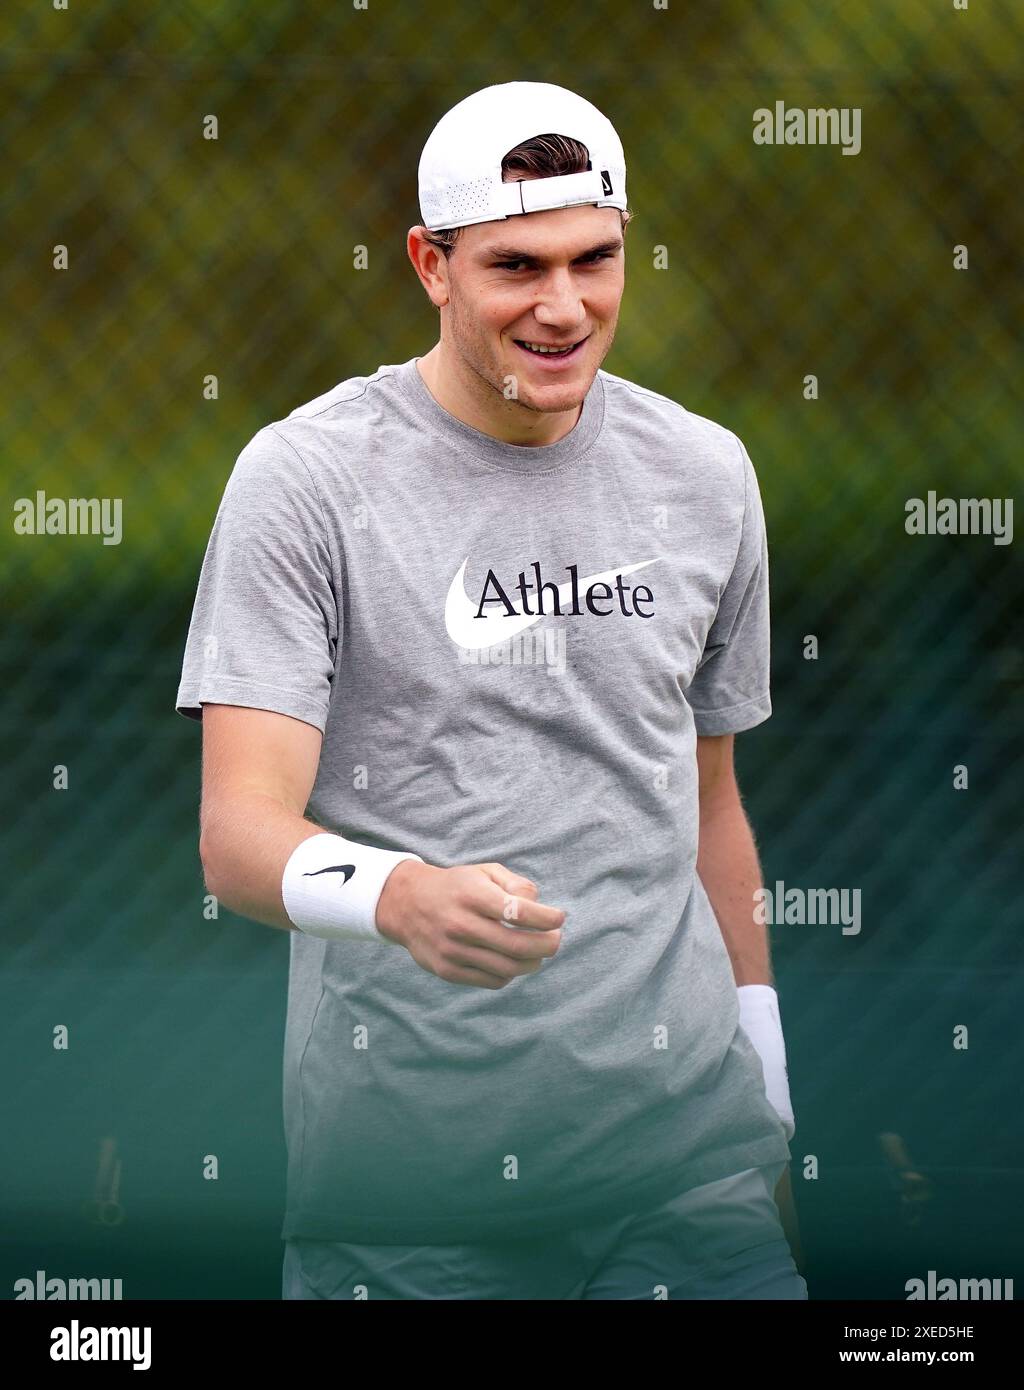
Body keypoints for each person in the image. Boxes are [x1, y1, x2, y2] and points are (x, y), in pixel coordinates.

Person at [175, 79, 808, 1300]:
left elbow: (708, 806)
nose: (564, 307)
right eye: (517, 265)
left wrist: (767, 1083)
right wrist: (400, 894)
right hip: (404, 1206)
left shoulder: (707, 474)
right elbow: (236, 837)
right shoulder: (303, 481)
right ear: (430, 265)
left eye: (595, 260)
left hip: (690, 1179)